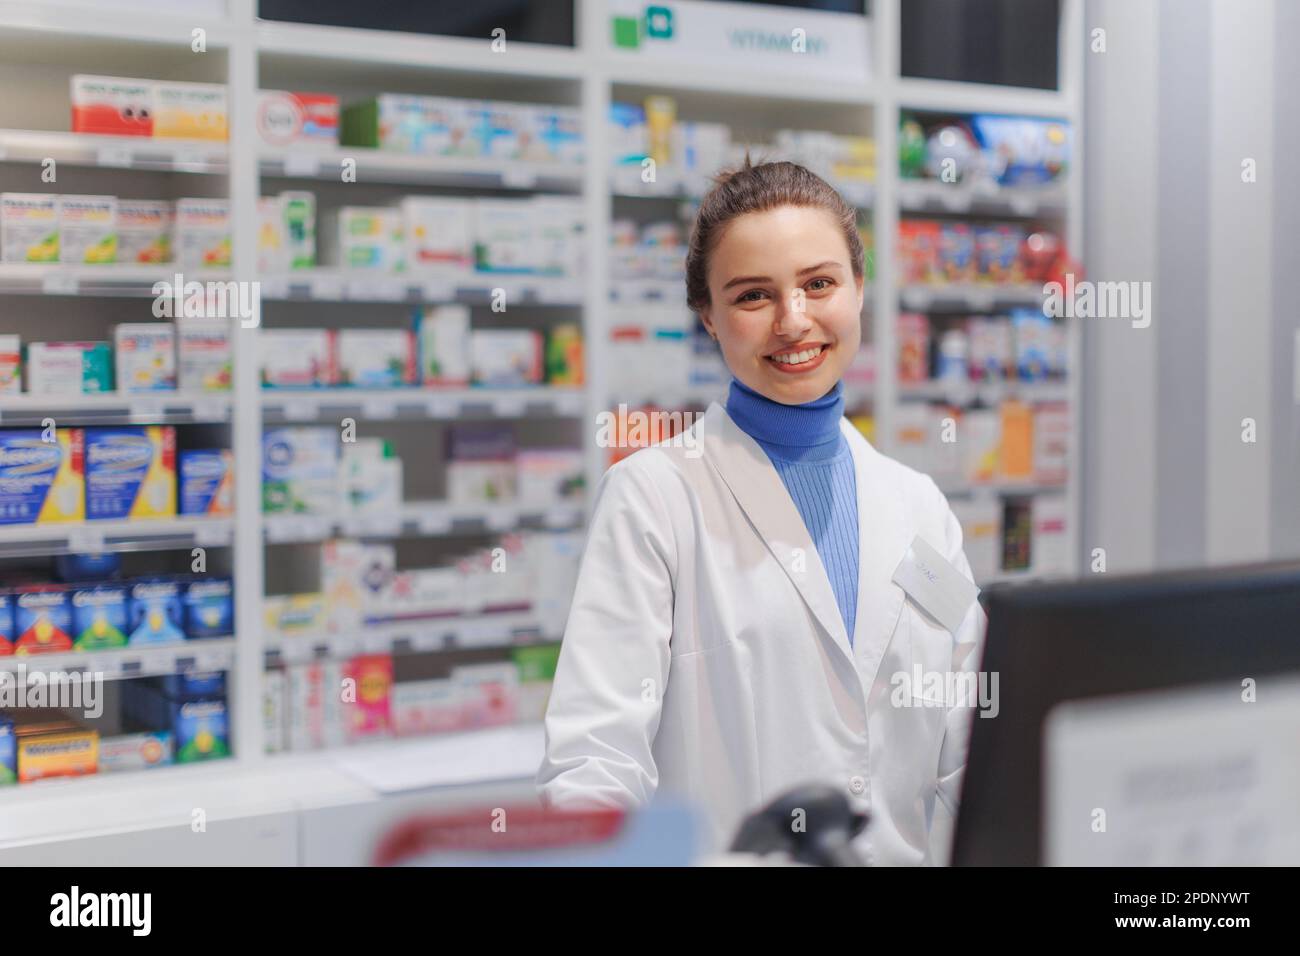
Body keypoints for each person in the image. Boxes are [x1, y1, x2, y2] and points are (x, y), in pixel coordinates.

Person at [537, 158, 987, 865]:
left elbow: (972, 750)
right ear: (709, 319)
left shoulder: (919, 507)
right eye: (753, 296)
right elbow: (596, 761)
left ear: (859, 289)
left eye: (819, 283)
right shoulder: (655, 497)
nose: (794, 320)